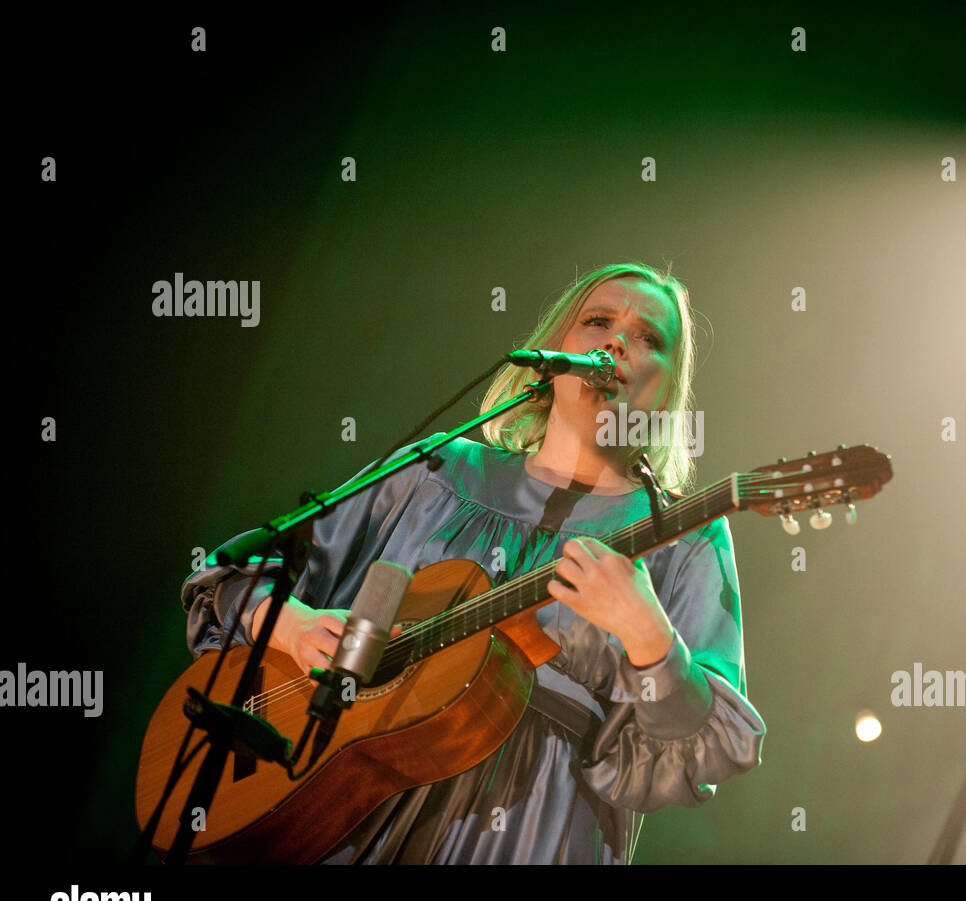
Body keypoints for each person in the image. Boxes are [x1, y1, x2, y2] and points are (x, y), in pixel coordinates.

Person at [181, 262, 766, 863]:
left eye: (649, 338)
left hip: (536, 823)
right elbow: (232, 579)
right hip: (350, 793)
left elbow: (708, 751)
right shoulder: (435, 472)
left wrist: (651, 639)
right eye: (597, 321)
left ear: (666, 389)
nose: (617, 341)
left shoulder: (684, 535)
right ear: (552, 350)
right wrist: (299, 628)